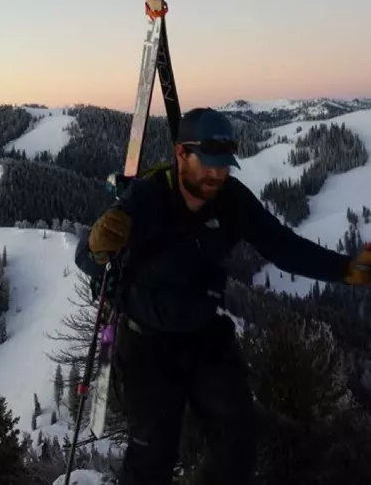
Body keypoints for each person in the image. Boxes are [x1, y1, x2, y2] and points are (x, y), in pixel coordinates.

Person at [74, 107, 371, 485]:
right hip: (147, 345)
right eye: (209, 163)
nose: (218, 173)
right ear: (182, 153)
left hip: (204, 336)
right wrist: (98, 249)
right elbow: (91, 258)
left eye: (225, 164)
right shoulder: (146, 198)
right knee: (151, 457)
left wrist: (345, 269)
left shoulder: (231, 199)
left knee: (238, 442)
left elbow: (281, 245)